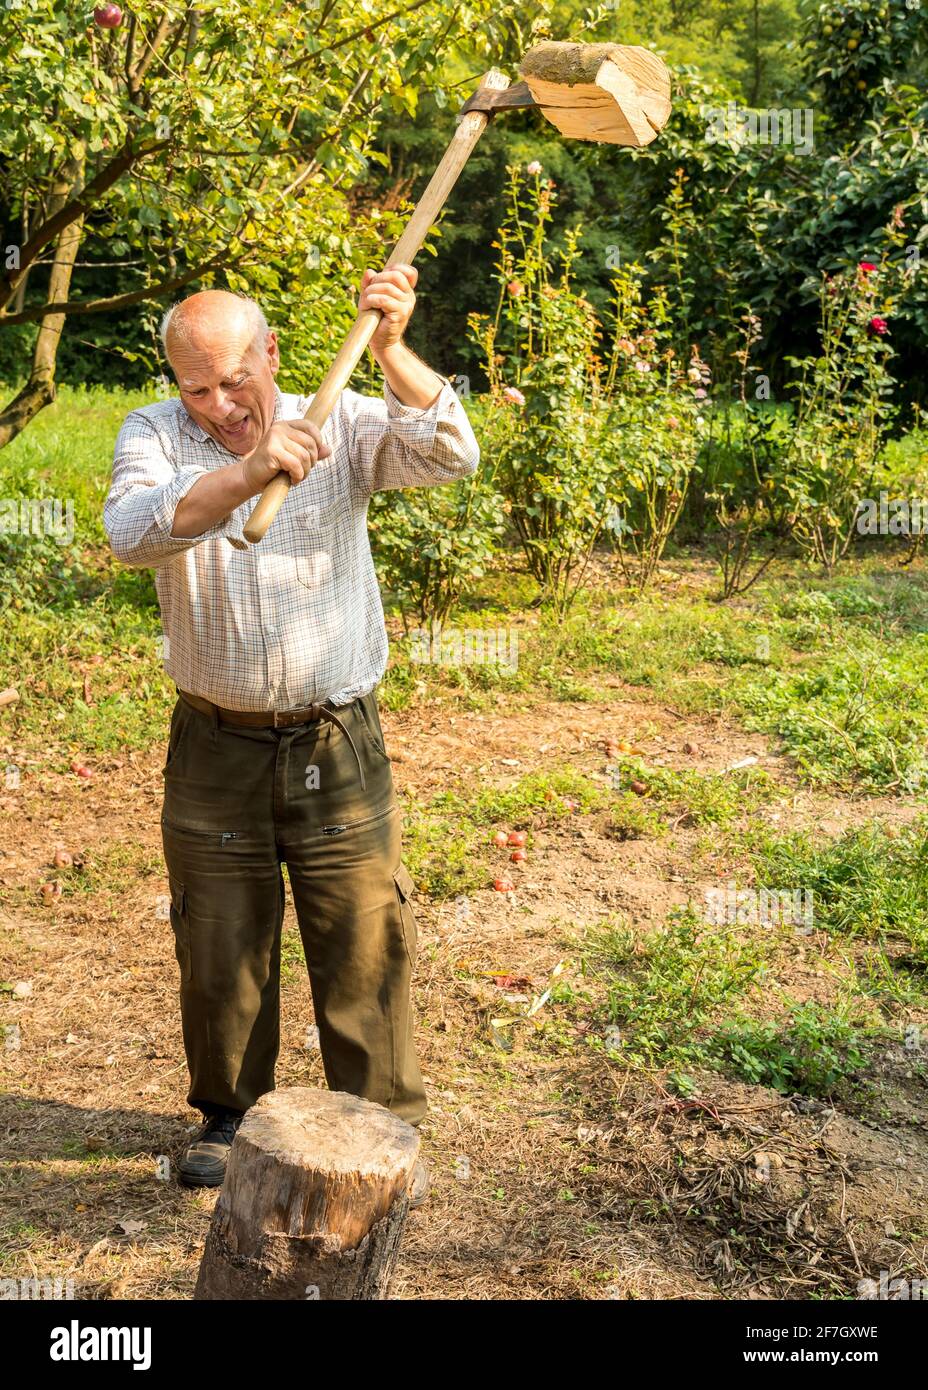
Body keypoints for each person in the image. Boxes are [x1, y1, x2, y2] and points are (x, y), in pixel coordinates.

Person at [103, 267, 480, 1206]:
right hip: (215, 742)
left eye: (236, 378)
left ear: (271, 352)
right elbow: (132, 531)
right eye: (198, 386)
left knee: (363, 930)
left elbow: (451, 453)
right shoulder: (155, 434)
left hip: (335, 738)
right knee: (220, 938)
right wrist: (245, 473)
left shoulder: (343, 419)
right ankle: (232, 1116)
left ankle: (379, 1119)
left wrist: (392, 349)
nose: (221, 403)